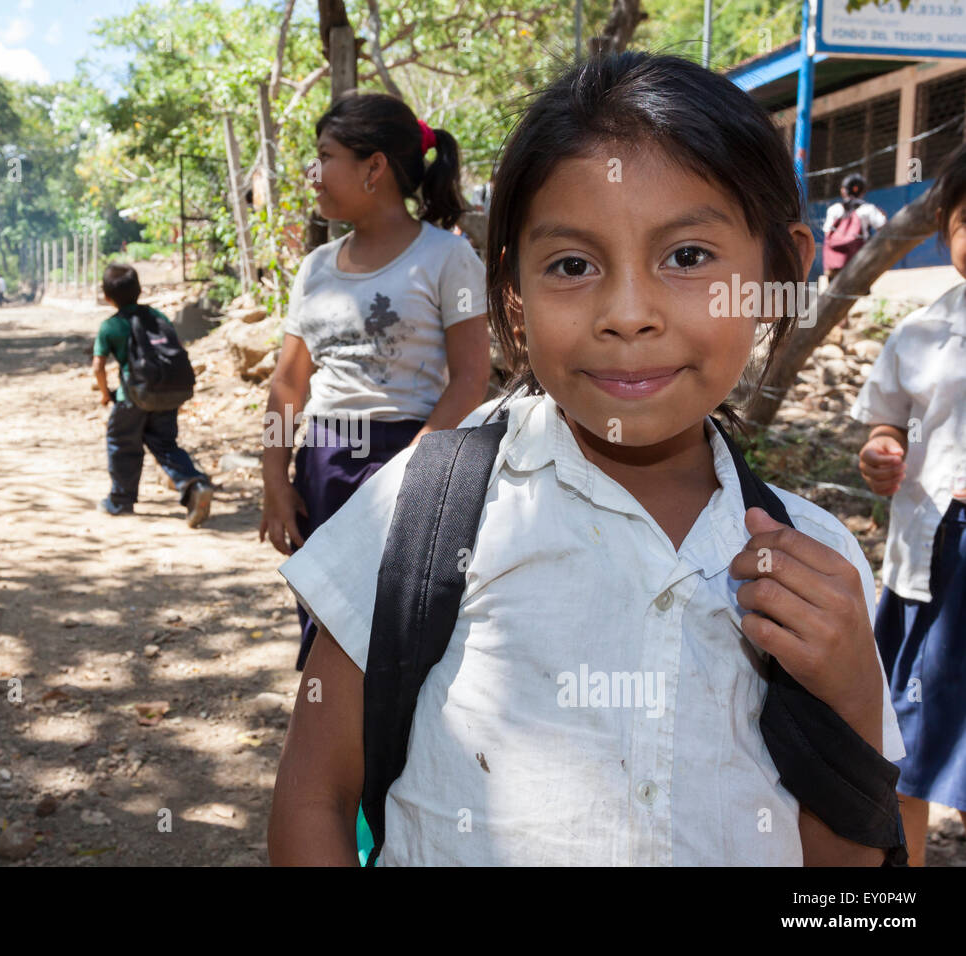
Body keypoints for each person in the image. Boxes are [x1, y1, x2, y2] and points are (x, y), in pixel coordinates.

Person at [269, 52, 904, 866]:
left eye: (687, 258)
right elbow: (313, 794)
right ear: (514, 301)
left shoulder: (821, 564)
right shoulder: (422, 511)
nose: (628, 314)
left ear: (780, 273)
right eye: (573, 265)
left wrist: (850, 692)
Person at [258, 92, 490, 670]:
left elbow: (470, 377)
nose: (312, 175)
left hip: (411, 457)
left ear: (374, 167)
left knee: (395, 637)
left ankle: (386, 759)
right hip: (324, 464)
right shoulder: (316, 267)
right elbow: (289, 383)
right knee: (324, 627)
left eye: (324, 157)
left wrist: (413, 470)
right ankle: (329, 751)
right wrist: (275, 478)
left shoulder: (447, 259)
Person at [851, 139, 966, 866]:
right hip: (935, 561)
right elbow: (885, 419)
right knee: (911, 745)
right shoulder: (921, 332)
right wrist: (882, 452)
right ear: (946, 228)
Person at [93, 262, 213, 526]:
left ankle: (120, 500)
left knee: (121, 443)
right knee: (165, 445)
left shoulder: (110, 327)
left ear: (107, 296)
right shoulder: (158, 317)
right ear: (140, 290)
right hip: (166, 393)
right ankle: (194, 486)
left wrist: (105, 394)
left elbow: (98, 366)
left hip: (131, 399)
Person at [822, 172, 887, 279]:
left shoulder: (834, 209)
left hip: (835, 262)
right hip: (857, 261)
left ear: (843, 191)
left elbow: (827, 233)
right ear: (863, 191)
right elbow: (883, 228)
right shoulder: (868, 209)